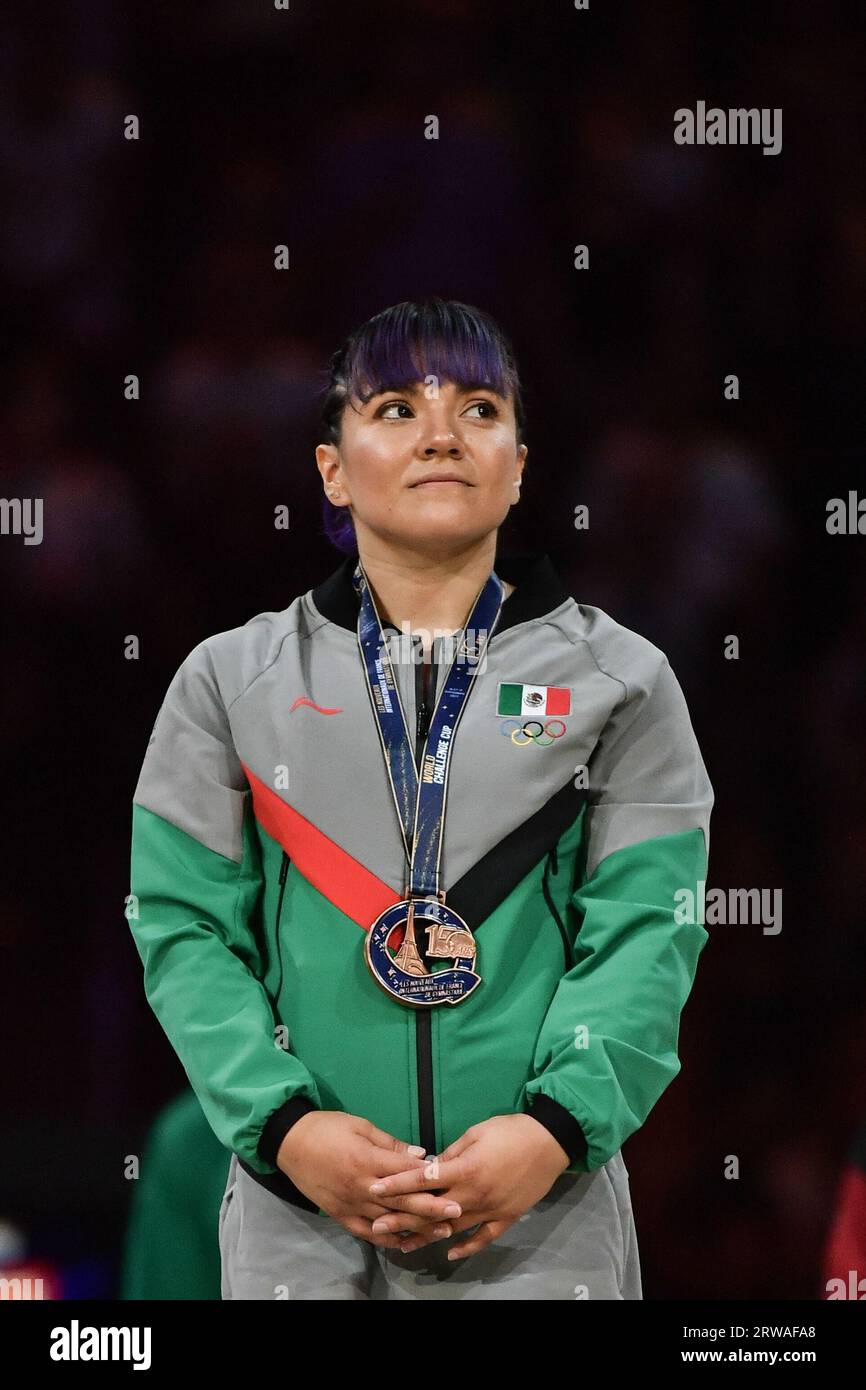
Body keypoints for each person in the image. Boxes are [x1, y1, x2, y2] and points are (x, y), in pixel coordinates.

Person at [127, 297, 713, 1300]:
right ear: (330, 469)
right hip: (297, 1216)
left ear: (519, 464)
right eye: (395, 407)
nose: (441, 432)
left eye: (479, 409)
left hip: (543, 1213)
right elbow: (184, 930)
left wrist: (553, 1128)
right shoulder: (228, 684)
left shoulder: (621, 680)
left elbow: (647, 932)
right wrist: (286, 1128)